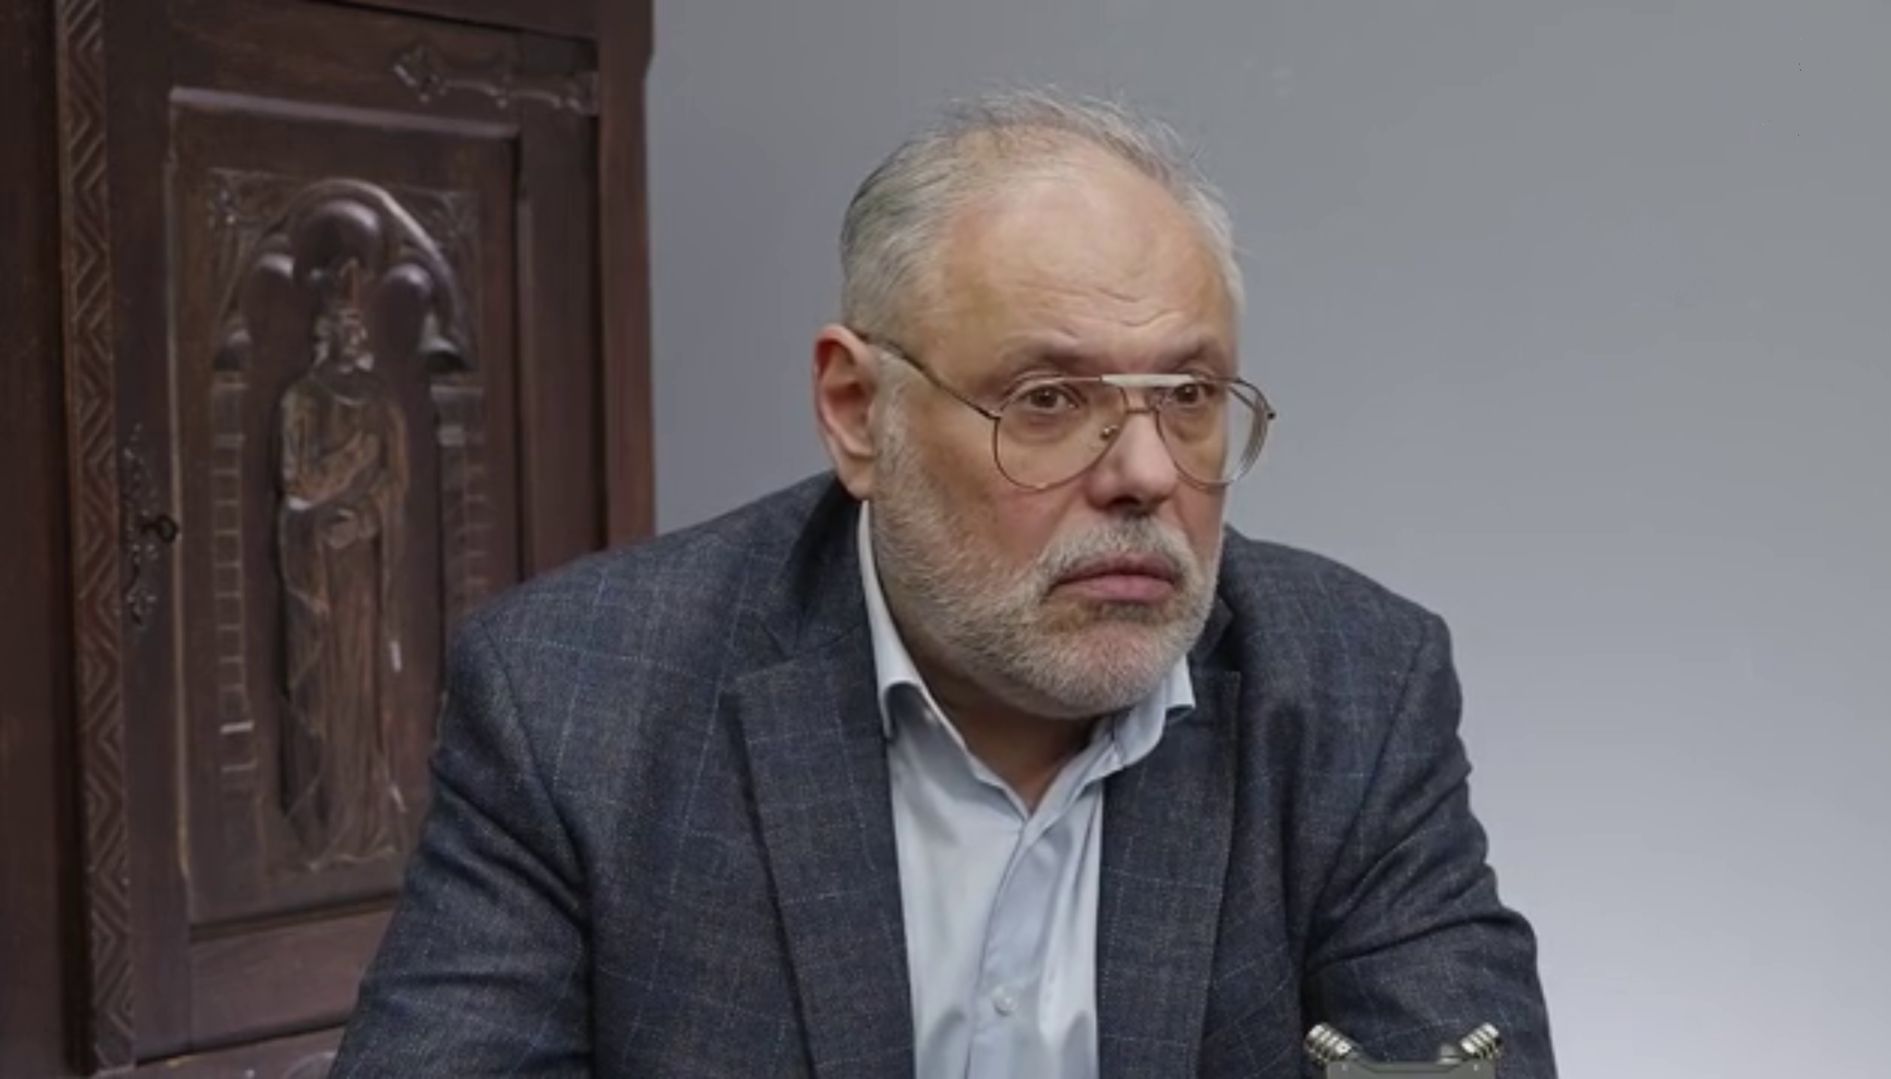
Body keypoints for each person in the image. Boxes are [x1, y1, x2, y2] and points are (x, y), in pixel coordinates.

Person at [332, 91, 1554, 1078]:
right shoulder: (577, 702)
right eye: (1048, 398)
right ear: (856, 412)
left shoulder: (1353, 688)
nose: (1144, 472)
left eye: (1188, 397)